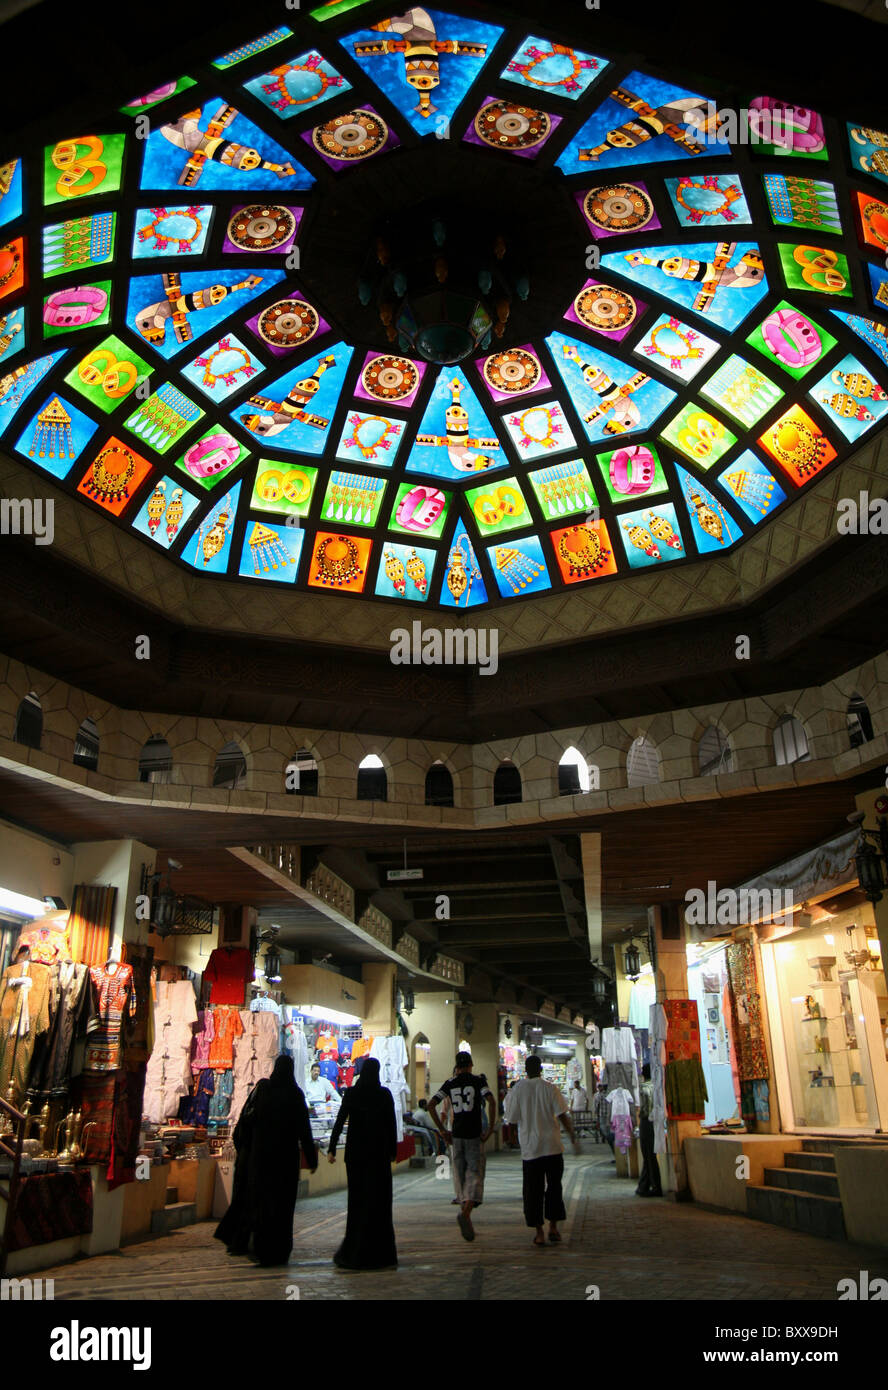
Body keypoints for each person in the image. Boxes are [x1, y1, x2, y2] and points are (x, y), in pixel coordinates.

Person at [214, 1053, 317, 1266]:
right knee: (282, 1208)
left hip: (261, 1160)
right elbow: (304, 1130)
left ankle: (259, 1247)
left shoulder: (264, 1090)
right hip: (285, 1162)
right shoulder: (295, 1095)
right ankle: (278, 1251)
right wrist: (311, 1158)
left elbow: (245, 1120)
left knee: (261, 1203)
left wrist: (245, 1150)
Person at [327, 1056, 397, 1269]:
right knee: (379, 1203)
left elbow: (340, 1120)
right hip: (378, 1157)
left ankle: (355, 1251)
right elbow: (391, 1125)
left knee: (357, 1203)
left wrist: (331, 1148)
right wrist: (392, 1152)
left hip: (356, 1157)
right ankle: (380, 1253)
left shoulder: (352, 1093)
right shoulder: (384, 1095)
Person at [503, 1054, 578, 1246]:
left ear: (525, 1071)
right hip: (552, 1146)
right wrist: (572, 1136)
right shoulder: (550, 1088)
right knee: (554, 1188)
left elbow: (511, 1120)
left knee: (533, 1191)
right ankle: (553, 1227)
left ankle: (539, 1233)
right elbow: (562, 1115)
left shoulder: (517, 1090)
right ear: (541, 1069)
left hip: (530, 1149)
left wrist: (511, 1139)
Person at [428, 1051, 495, 1242]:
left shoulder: (450, 1083)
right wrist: (489, 1128)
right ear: (471, 1064)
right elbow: (491, 1101)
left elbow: (432, 1105)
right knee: (475, 1174)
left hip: (455, 1136)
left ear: (457, 1066)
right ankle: (465, 1214)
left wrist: (442, 1130)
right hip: (473, 1135)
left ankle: (465, 1213)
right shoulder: (478, 1081)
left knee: (459, 1175)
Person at [635, 1062, 663, 1198]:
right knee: (650, 1156)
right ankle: (644, 1185)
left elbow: (644, 1109)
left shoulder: (643, 1088)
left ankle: (655, 1186)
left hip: (647, 1122)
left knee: (648, 1155)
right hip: (656, 1123)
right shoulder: (658, 1087)